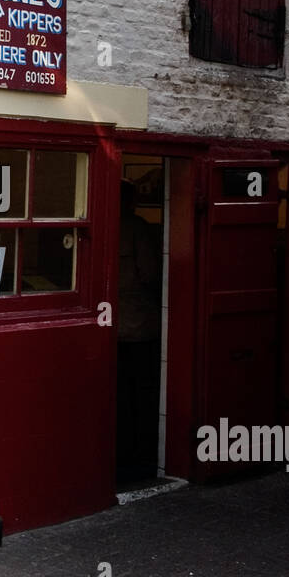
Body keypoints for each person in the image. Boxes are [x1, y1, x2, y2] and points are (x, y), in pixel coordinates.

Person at [117, 179, 162, 481]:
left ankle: (122, 450)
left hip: (112, 327)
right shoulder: (138, 228)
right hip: (138, 326)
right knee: (141, 394)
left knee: (119, 393)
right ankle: (138, 454)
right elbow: (151, 274)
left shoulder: (110, 225)